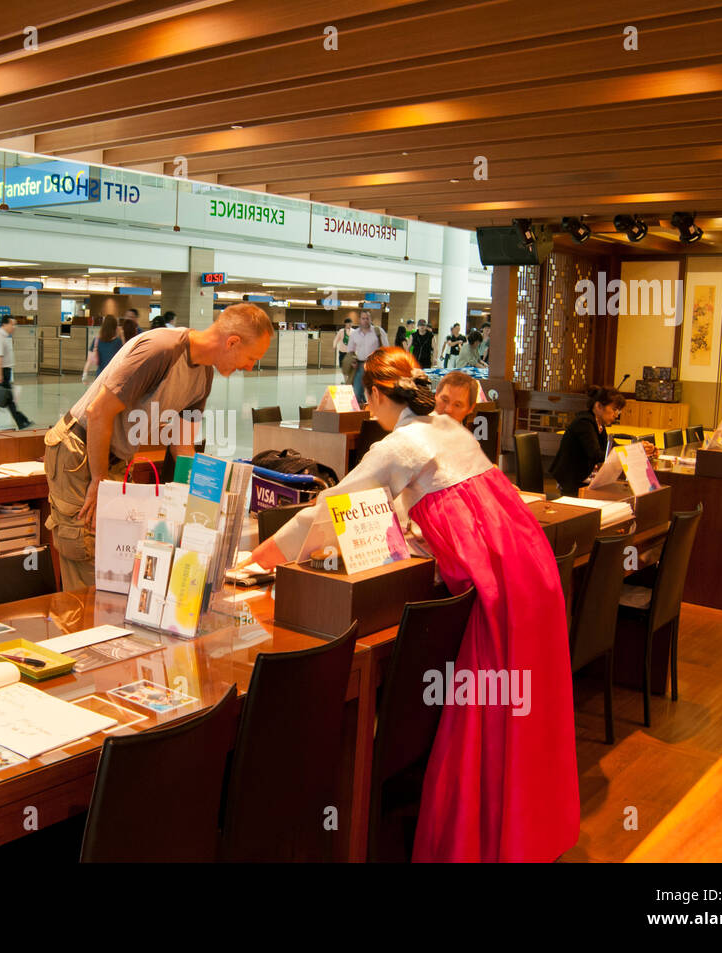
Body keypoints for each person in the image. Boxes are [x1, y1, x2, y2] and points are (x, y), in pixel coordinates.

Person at [246, 347, 578, 862]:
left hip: (492, 576)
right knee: (518, 701)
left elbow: (330, 513)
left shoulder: (398, 444)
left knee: (489, 703)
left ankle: (484, 840)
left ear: (377, 394)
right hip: (524, 560)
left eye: (367, 397)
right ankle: (524, 831)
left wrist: (261, 557)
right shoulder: (450, 427)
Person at [44, 303, 273, 590]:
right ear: (232, 342)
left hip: (111, 459)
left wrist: (198, 498)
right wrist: (98, 481)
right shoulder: (160, 350)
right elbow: (98, 412)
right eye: (252, 358)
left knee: (111, 566)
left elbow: (183, 444)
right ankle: (79, 631)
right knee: (89, 563)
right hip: (79, 453)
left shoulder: (204, 375)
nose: (250, 367)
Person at [550, 385, 625, 496]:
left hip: (582, 476)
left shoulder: (598, 423)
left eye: (618, 411)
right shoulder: (584, 423)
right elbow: (596, 454)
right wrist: (624, 454)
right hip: (571, 480)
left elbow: (610, 447)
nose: (616, 415)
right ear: (599, 406)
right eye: (614, 409)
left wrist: (636, 448)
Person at [344, 311, 382, 407]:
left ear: (371, 319)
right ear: (360, 320)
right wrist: (352, 360)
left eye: (367, 318)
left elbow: (385, 349)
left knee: (373, 393)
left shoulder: (378, 332)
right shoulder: (355, 334)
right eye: (363, 318)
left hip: (374, 366)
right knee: (356, 392)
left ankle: (373, 412)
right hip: (360, 365)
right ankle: (358, 413)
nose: (365, 321)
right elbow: (350, 350)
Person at [83, 315, 123, 381]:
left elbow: (89, 360)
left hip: (100, 376)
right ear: (115, 327)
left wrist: (85, 375)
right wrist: (121, 335)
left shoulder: (96, 340)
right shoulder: (118, 342)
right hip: (113, 376)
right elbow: (123, 359)